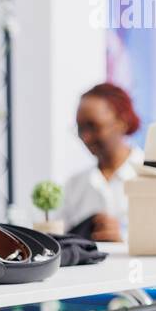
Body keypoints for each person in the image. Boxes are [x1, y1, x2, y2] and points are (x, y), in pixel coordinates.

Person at [61, 82, 143, 241]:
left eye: (93, 126)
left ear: (122, 122)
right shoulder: (74, 185)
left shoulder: (153, 178)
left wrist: (124, 238)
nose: (86, 137)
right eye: (80, 129)